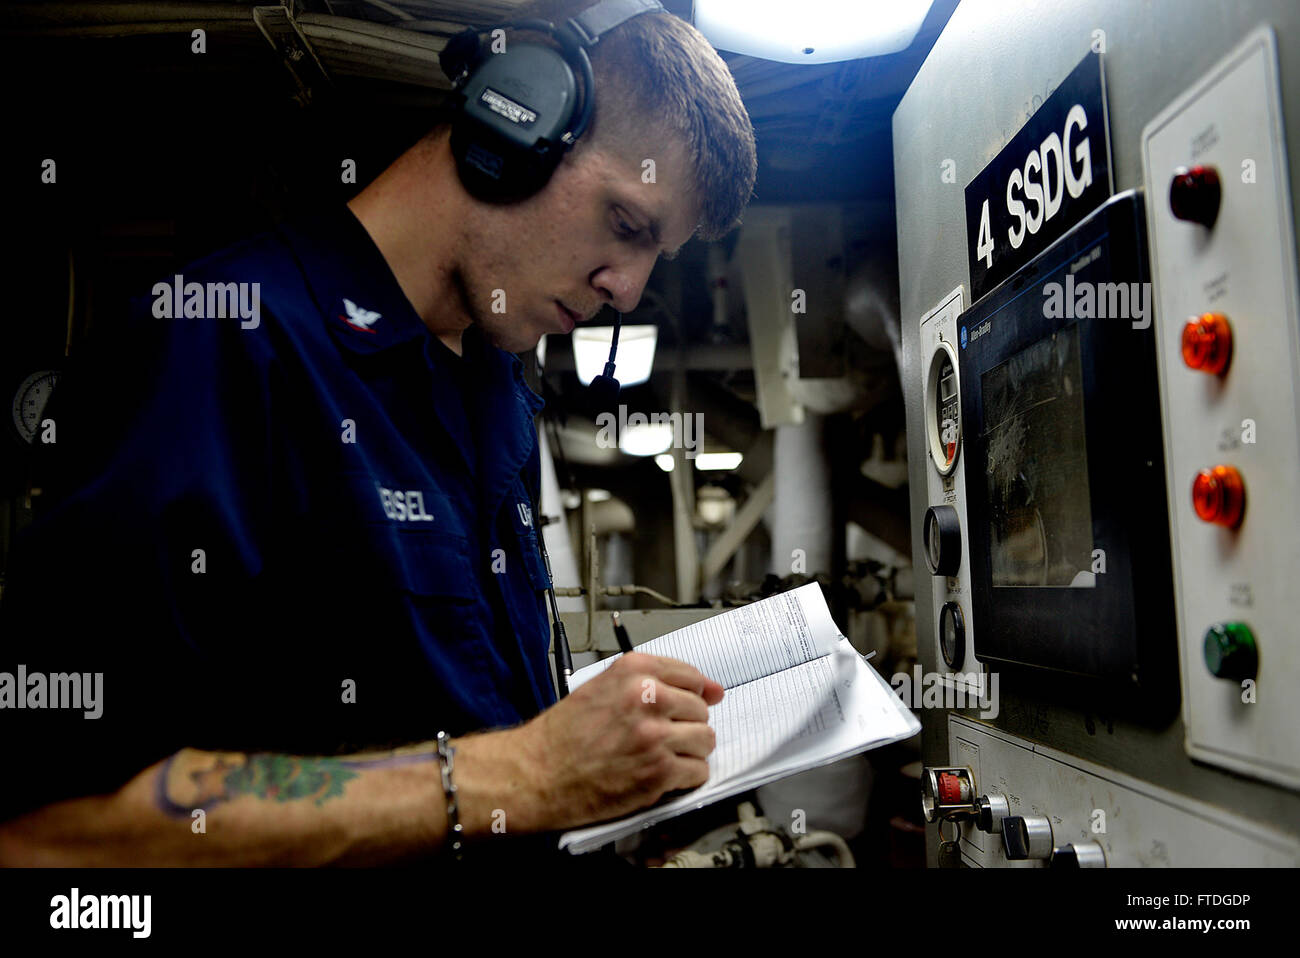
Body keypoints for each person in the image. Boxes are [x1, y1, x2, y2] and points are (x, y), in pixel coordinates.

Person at [0, 0, 756, 866]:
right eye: (628, 225)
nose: (629, 287)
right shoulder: (219, 345)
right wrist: (530, 774)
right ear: (514, 119)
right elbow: (57, 827)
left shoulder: (490, 389)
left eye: (658, 255)